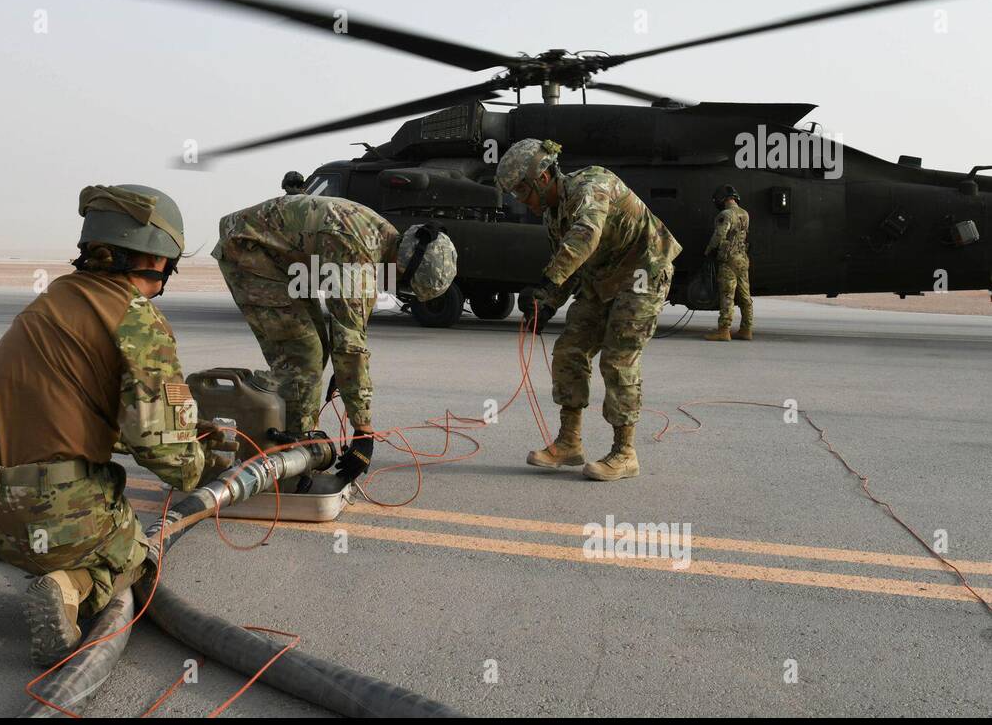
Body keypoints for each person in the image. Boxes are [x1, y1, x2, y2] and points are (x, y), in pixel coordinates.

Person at [0, 184, 232, 666]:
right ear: (161, 258)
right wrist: (204, 457)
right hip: (47, 520)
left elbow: (60, 405)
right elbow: (173, 463)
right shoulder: (141, 323)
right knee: (134, 550)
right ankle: (64, 588)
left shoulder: (54, 297)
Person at [213, 192, 456, 485]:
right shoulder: (357, 253)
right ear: (404, 266)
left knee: (315, 347)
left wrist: (344, 375)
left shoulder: (380, 236)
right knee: (303, 353)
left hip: (274, 257)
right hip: (246, 250)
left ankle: (294, 439)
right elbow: (350, 344)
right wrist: (364, 432)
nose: (398, 286)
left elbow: (350, 332)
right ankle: (290, 452)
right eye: (405, 282)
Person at [496, 139, 681, 481]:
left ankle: (625, 454)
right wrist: (547, 303)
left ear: (544, 178)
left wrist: (547, 284)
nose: (522, 202)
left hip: (643, 271)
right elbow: (572, 263)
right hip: (601, 280)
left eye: (523, 191)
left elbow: (585, 236)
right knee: (569, 350)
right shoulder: (553, 215)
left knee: (617, 357)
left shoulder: (591, 185)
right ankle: (569, 443)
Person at [703, 184, 753, 341]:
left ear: (721, 200)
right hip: (743, 259)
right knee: (745, 296)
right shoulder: (745, 214)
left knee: (727, 295)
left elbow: (719, 235)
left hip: (729, 260)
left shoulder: (725, 214)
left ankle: (724, 330)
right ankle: (746, 329)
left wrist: (708, 250)